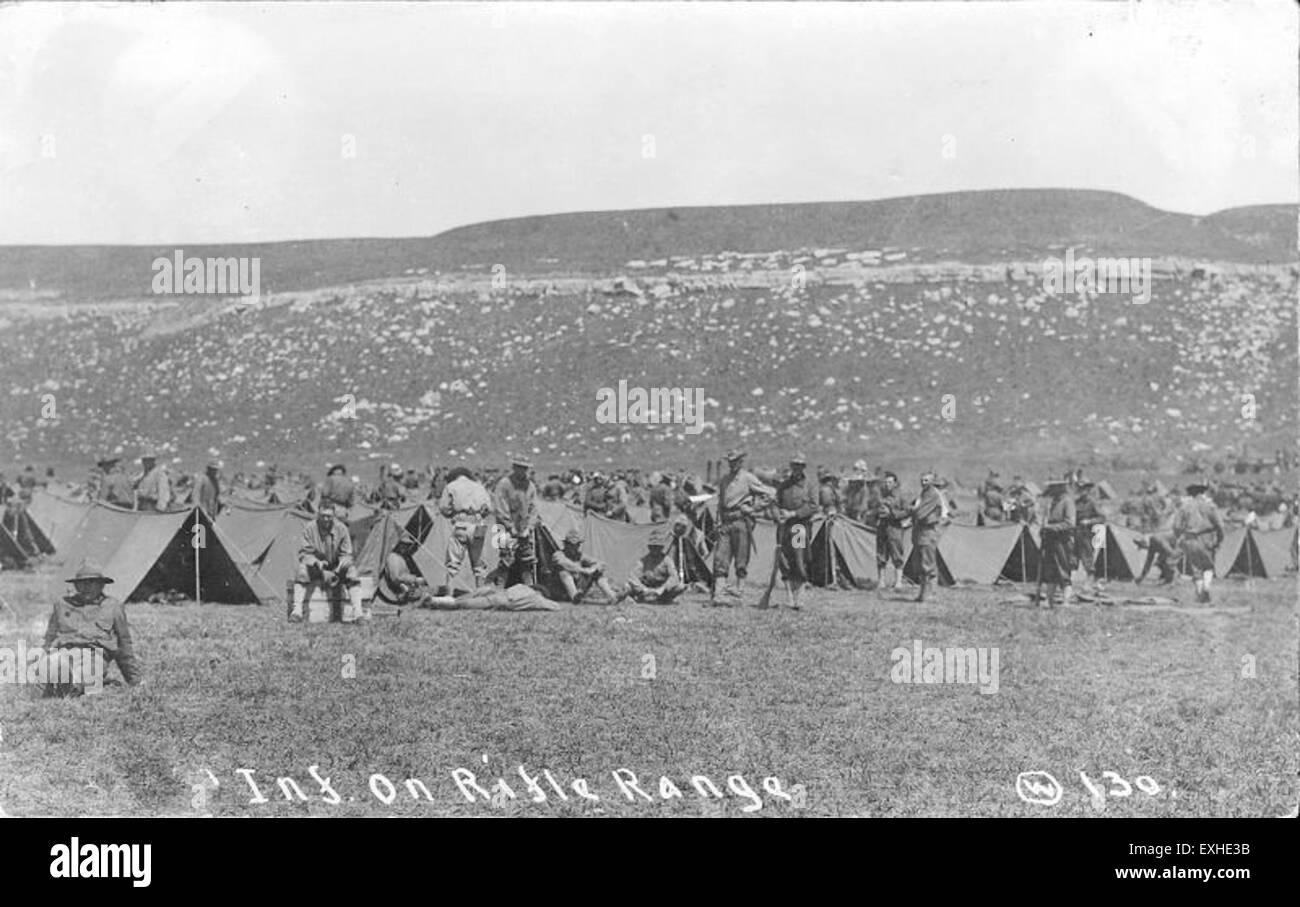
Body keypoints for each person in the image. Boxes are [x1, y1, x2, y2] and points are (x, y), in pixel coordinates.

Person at [41, 561, 142, 694]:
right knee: (45, 673)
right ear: (75, 585)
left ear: (102, 585)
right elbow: (49, 637)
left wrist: (134, 680)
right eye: (81, 583)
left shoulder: (113, 606)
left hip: (95, 655)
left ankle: (72, 686)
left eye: (91, 582)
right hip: (65, 652)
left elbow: (124, 644)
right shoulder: (62, 604)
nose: (86, 587)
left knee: (84, 676)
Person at [710, 449, 775, 606]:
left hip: (741, 521)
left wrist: (754, 509)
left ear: (740, 462)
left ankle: (739, 592)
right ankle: (719, 593)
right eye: (730, 461)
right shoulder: (725, 479)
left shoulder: (748, 478)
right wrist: (718, 521)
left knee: (741, 558)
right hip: (725, 523)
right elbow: (720, 502)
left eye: (735, 461)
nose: (732, 464)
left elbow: (770, 494)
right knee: (720, 557)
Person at [291, 505, 368, 623]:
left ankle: (358, 613)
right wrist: (316, 563)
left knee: (352, 571)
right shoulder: (309, 528)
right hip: (317, 567)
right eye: (323, 516)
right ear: (318, 515)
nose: (326, 519)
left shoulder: (342, 529)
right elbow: (304, 554)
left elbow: (347, 553)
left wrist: (341, 565)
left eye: (329, 516)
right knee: (302, 570)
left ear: (334, 516)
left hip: (336, 567)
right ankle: (297, 611)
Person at [772, 454, 818, 610]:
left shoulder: (810, 485)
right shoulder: (784, 486)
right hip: (784, 527)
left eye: (800, 465)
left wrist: (794, 514)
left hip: (800, 527)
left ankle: (800, 598)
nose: (797, 468)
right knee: (784, 560)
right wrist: (778, 516)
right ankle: (789, 598)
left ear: (804, 467)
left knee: (799, 560)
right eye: (794, 465)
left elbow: (813, 506)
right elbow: (775, 504)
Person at [438, 466, 492, 589]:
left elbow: (444, 508)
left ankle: (449, 595)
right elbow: (488, 508)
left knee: (453, 563)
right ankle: (480, 594)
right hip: (478, 525)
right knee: (479, 565)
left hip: (461, 525)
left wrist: (453, 514)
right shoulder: (479, 486)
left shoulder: (451, 487)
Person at [1172, 482, 1225, 603]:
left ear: (1190, 494)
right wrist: (1219, 540)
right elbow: (1220, 526)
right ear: (1203, 493)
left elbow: (1176, 526)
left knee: (1196, 568)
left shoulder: (1184, 507)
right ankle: (1206, 588)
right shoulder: (1210, 506)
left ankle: (1199, 593)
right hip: (1206, 539)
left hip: (1189, 539)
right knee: (1208, 566)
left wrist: (1179, 537)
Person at [493, 457, 540, 586]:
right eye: (521, 468)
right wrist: (510, 526)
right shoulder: (504, 484)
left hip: (524, 527)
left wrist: (528, 527)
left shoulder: (530, 486)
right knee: (506, 558)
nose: (524, 471)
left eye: (526, 468)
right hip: (504, 527)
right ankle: (500, 588)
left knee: (527, 559)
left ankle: (529, 588)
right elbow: (500, 507)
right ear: (515, 468)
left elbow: (534, 508)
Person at [550, 529, 623, 603]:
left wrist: (593, 569)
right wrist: (584, 570)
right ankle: (574, 596)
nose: (574, 548)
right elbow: (566, 564)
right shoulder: (558, 554)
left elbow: (600, 563)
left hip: (579, 588)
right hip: (560, 591)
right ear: (565, 545)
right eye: (571, 545)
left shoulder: (580, 556)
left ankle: (612, 596)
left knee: (597, 572)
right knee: (563, 572)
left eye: (577, 545)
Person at [1036, 478, 1076, 607]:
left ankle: (1066, 601)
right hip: (1050, 542)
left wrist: (1051, 528)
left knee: (1063, 571)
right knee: (1050, 573)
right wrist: (1044, 530)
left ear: (1060, 488)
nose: (1051, 490)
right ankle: (1050, 601)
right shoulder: (1053, 502)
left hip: (1062, 542)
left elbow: (1070, 523)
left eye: (1054, 488)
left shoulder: (1067, 502)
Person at [909, 471, 947, 602]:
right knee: (919, 563)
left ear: (932, 482)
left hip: (928, 532)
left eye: (926, 480)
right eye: (922, 480)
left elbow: (920, 513)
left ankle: (932, 593)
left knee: (928, 563)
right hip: (919, 532)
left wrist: (912, 510)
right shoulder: (923, 494)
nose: (923, 482)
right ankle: (923, 593)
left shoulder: (932, 495)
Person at [627, 530, 686, 604]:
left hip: (662, 589)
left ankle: (663, 599)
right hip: (645, 588)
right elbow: (632, 576)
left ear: (661, 547)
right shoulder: (643, 561)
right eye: (653, 546)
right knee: (627, 586)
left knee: (680, 586)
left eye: (657, 546)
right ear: (649, 547)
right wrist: (644, 589)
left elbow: (674, 577)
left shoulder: (667, 560)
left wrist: (662, 589)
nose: (655, 549)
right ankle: (643, 598)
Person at [374, 535, 433, 608]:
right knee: (425, 595)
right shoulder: (393, 557)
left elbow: (404, 574)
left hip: (406, 587)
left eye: (407, 545)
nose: (406, 547)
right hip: (398, 591)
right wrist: (415, 579)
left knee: (428, 591)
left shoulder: (401, 557)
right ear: (398, 544)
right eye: (403, 545)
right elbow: (396, 578)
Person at [873, 472, 907, 590]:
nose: (887, 485)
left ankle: (898, 582)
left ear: (895, 483)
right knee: (881, 554)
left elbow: (907, 511)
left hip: (895, 528)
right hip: (882, 528)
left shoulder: (901, 496)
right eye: (886, 482)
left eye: (890, 482)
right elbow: (872, 510)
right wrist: (877, 513)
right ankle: (881, 581)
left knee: (897, 554)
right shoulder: (881, 496)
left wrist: (892, 514)